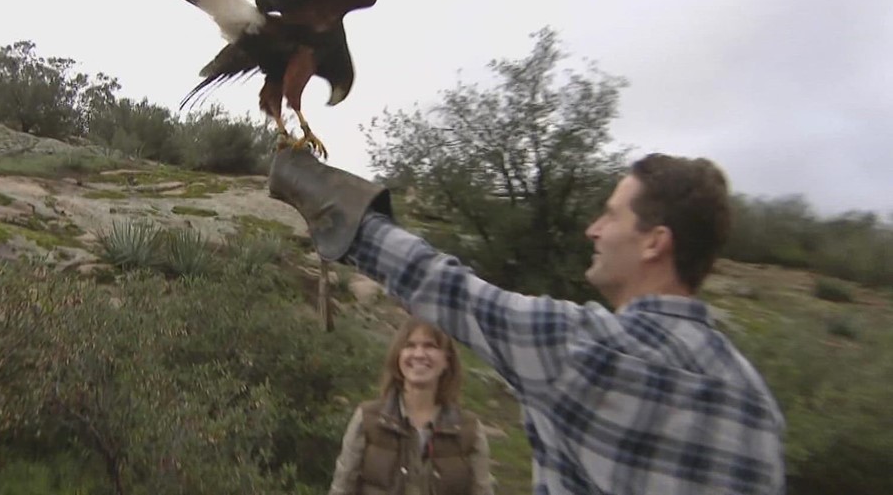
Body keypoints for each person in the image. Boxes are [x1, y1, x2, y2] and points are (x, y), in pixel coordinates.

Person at [269, 150, 787, 495]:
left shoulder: (584, 350)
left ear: (655, 242)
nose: (594, 230)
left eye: (611, 215)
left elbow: (443, 287)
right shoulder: (757, 402)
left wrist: (325, 196)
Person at [328, 316, 496, 495]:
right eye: (410, 345)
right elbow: (341, 488)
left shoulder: (469, 429)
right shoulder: (368, 419)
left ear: (447, 360)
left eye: (430, 346)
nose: (419, 354)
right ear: (398, 356)